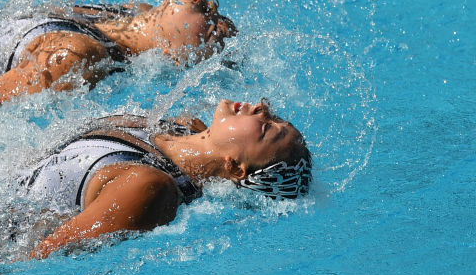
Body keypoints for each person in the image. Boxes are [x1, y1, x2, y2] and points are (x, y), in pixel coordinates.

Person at [24, 99, 312, 259]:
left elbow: (40, 256)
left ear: (236, 167)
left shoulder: (148, 187)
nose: (262, 108)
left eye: (267, 129)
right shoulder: (183, 126)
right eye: (275, 116)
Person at [0, 0, 237, 112]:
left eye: (214, 27)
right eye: (215, 9)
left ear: (174, 55)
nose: (210, 6)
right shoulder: (130, 13)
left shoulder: (77, 56)